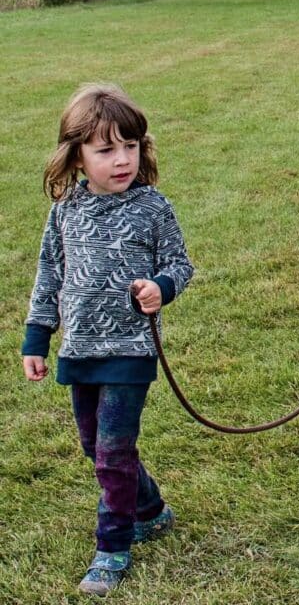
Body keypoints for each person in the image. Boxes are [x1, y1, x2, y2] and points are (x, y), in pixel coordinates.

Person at [21, 83, 195, 594]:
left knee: (113, 452)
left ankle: (112, 546)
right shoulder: (65, 212)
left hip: (130, 350)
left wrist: (160, 288)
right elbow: (49, 275)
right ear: (76, 157)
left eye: (131, 146)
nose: (122, 160)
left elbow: (180, 265)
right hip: (80, 349)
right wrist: (37, 338)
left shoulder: (152, 207)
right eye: (106, 150)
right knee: (93, 445)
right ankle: (150, 508)